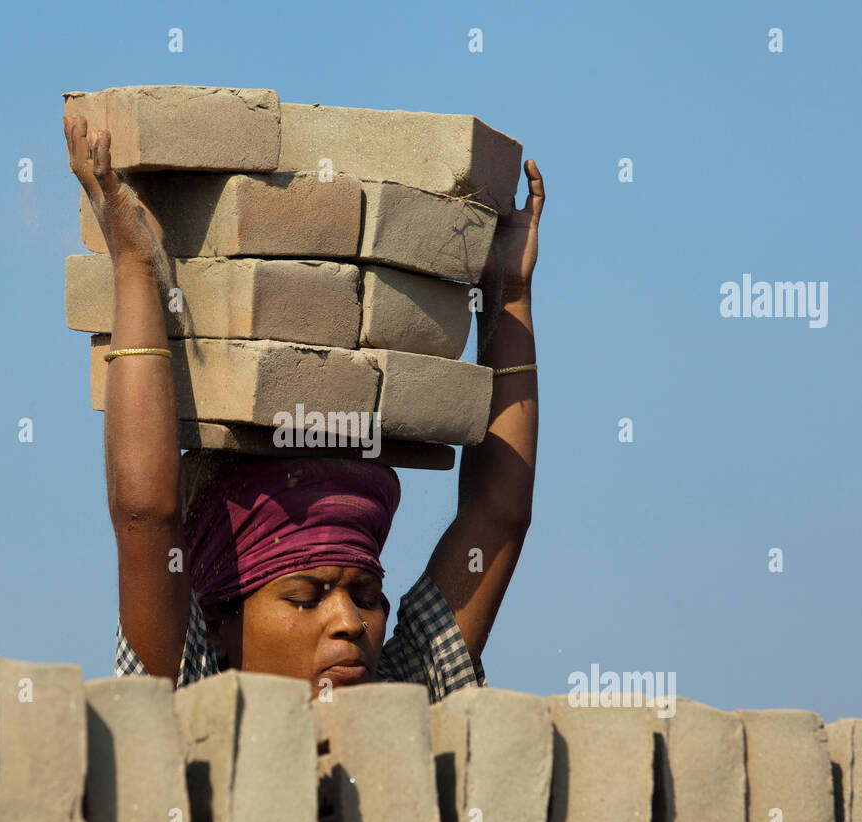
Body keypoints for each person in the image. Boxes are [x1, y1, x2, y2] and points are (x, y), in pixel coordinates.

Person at [64, 114, 542, 703]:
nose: (348, 623)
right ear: (217, 627)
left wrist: (509, 293)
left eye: (366, 597)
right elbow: (146, 517)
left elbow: (499, 516)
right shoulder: (184, 706)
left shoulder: (399, 699)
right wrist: (136, 268)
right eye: (307, 596)